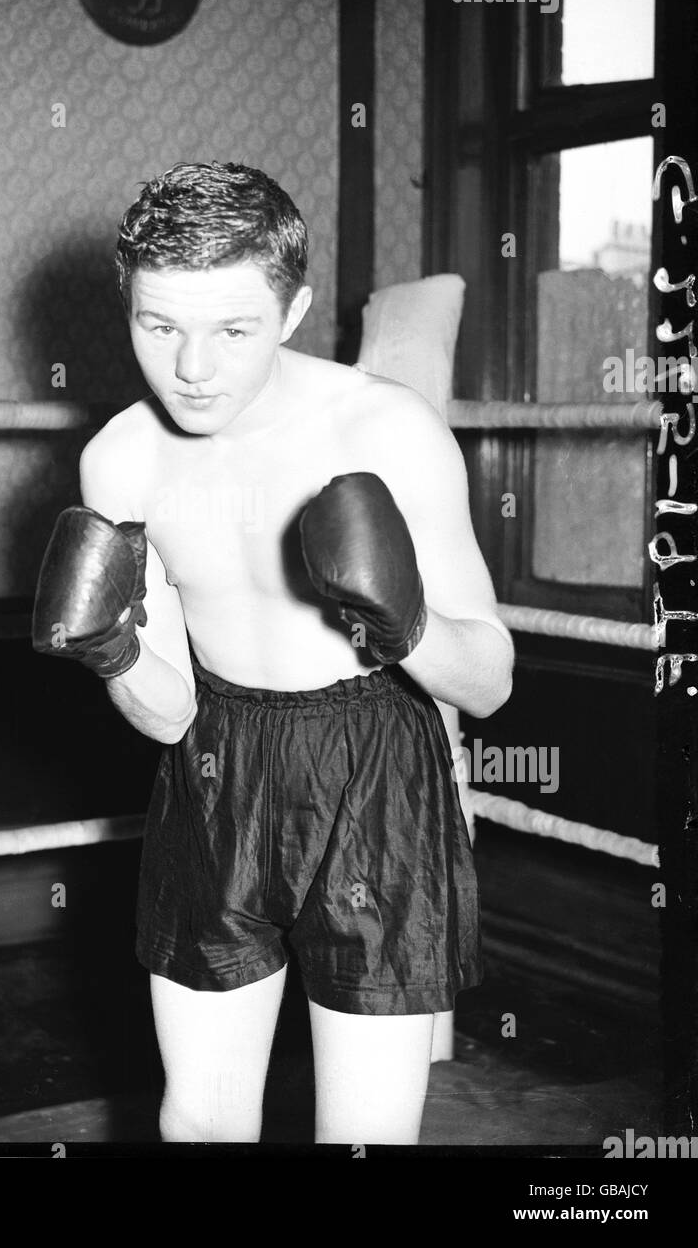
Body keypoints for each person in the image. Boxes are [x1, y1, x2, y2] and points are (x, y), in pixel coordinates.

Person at [32, 161, 513, 1144]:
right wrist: (113, 654)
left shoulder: (386, 429)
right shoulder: (121, 457)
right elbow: (169, 714)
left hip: (373, 761)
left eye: (232, 329)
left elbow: (492, 681)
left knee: (365, 1131)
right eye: (159, 327)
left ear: (292, 311)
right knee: (198, 1119)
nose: (191, 368)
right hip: (214, 758)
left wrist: (406, 624)